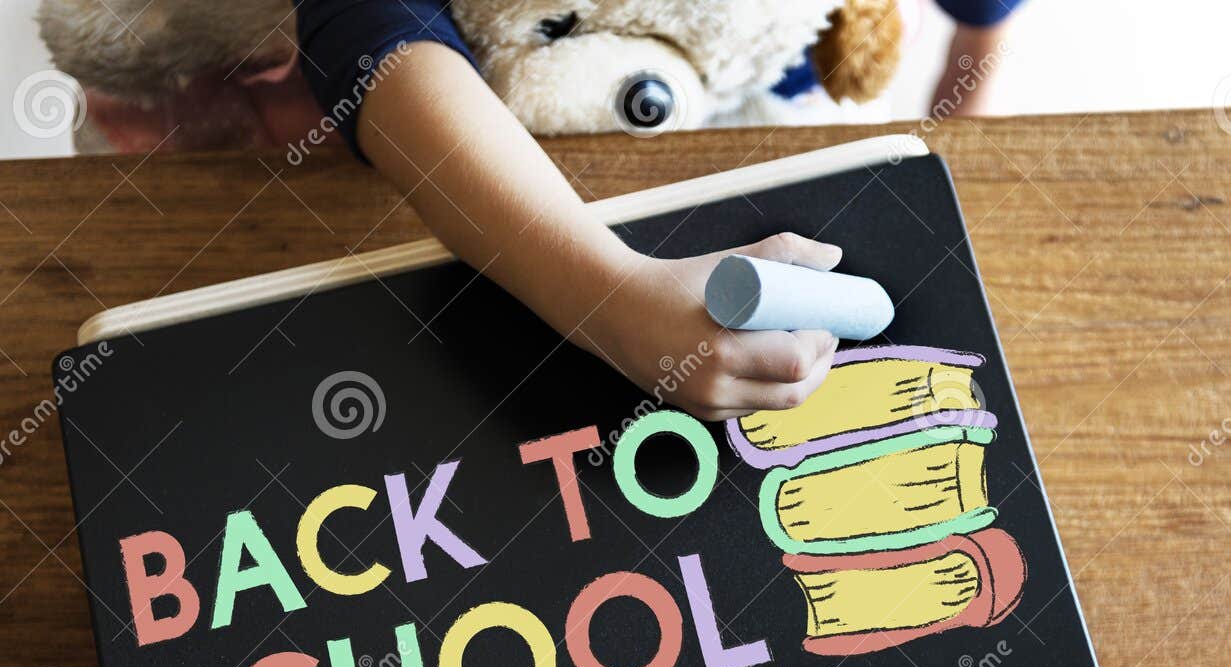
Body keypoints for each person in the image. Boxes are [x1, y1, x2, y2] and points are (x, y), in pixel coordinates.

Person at [294, 1, 1024, 419]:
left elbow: (981, 28)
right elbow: (368, 30)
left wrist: (948, 164)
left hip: (761, 139)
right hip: (482, 176)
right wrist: (609, 296)